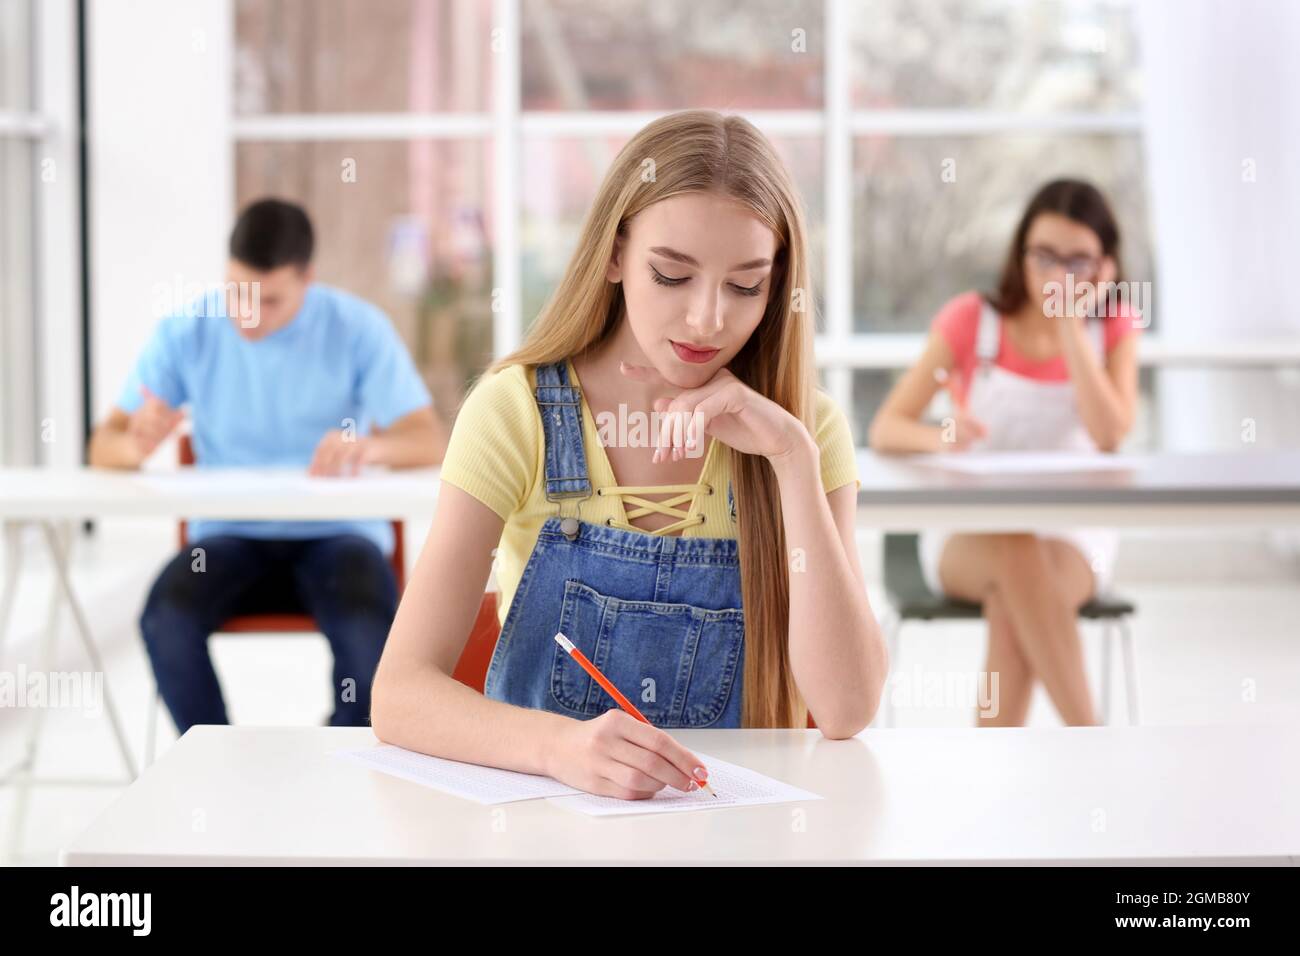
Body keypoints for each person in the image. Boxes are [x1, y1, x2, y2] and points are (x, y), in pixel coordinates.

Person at [372, 110, 888, 801]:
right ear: (614, 255)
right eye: (672, 276)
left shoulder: (806, 430)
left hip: (735, 838)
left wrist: (791, 458)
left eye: (745, 286)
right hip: (549, 832)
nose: (708, 319)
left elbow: (849, 708)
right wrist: (560, 748)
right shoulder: (515, 412)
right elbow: (400, 694)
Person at [89, 198, 447, 731]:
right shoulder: (190, 331)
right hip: (228, 540)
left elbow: (429, 440)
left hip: (339, 538)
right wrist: (136, 447)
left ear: (308, 278)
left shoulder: (357, 328)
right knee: (166, 620)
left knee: (371, 638)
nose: (246, 314)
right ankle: (216, 754)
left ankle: (335, 764)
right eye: (236, 293)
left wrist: (371, 448)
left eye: (270, 300)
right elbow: (103, 447)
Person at [869, 179, 1142, 727]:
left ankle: (993, 778)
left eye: (1077, 262)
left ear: (1105, 268)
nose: (1057, 275)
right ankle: (1093, 741)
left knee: (1015, 606)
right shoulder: (973, 320)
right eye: (1044, 256)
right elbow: (887, 428)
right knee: (1015, 549)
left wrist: (1069, 324)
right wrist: (943, 434)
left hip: (1073, 535)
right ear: (1020, 254)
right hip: (968, 533)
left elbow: (1111, 433)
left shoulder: (1111, 327)